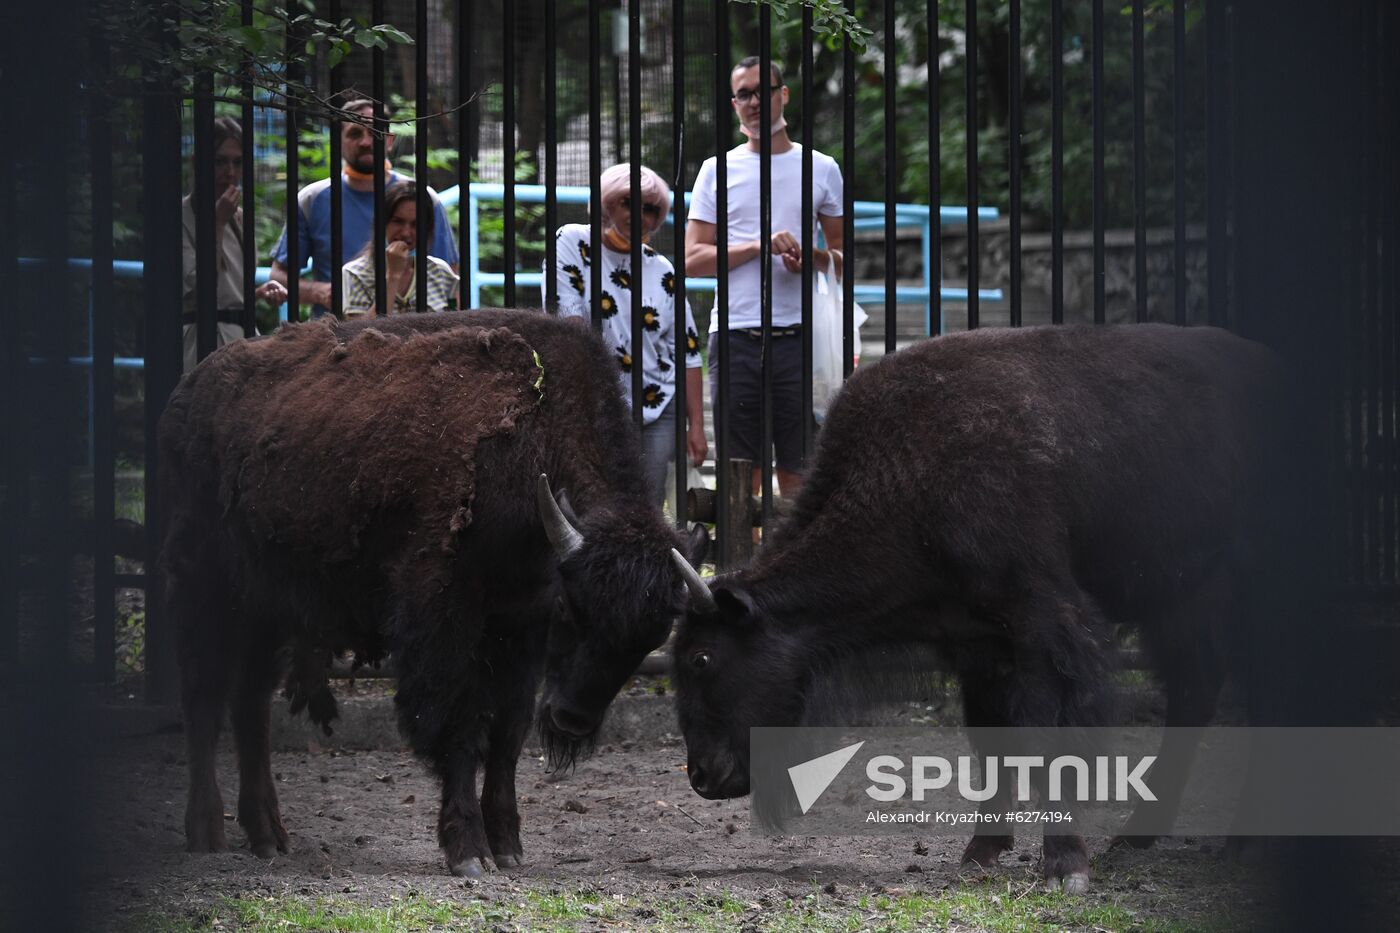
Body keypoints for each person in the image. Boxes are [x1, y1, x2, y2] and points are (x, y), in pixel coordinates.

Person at [684, 56, 844, 497]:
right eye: (744, 94)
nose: (754, 101)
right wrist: (759, 246)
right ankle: (745, 543)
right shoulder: (716, 170)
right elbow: (693, 259)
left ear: (783, 94)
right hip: (735, 334)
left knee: (799, 470)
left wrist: (809, 256)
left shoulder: (821, 168)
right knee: (742, 473)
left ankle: (793, 543)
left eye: (763, 91)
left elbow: (842, 257)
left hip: (799, 336)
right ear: (734, 104)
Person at [544, 163, 707, 506]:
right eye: (628, 203)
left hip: (657, 404)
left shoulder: (662, 270)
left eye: (651, 209)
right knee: (594, 495)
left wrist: (696, 425)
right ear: (606, 203)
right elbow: (569, 321)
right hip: (595, 398)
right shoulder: (572, 241)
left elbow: (688, 350)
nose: (640, 215)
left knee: (648, 500)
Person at [269, 97, 459, 318]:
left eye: (374, 132)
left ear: (389, 140)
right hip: (331, 331)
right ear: (338, 141)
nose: (365, 142)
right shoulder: (311, 199)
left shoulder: (422, 199)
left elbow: (450, 280)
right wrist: (322, 292)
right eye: (355, 134)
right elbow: (278, 275)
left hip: (413, 330)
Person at [182, 116, 287, 373]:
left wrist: (259, 292)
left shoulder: (238, 217)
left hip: (242, 339)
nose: (230, 172)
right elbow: (198, 285)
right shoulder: (182, 216)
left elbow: (229, 289)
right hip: (202, 341)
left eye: (237, 162)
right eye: (219, 161)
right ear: (197, 162)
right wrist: (217, 222)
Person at [342, 182, 459, 316]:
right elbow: (359, 329)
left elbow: (457, 321)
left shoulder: (440, 271)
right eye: (398, 221)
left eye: (415, 224)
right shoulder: (355, 274)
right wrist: (393, 276)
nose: (405, 232)